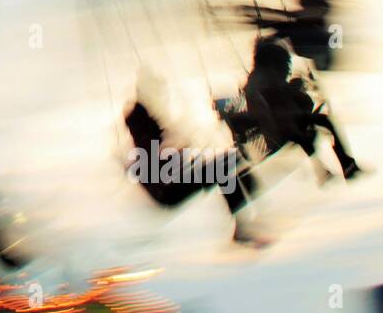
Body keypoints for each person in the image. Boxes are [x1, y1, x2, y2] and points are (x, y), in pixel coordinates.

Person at [122, 73, 265, 246]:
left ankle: (245, 212)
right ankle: (244, 218)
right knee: (226, 166)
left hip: (171, 188)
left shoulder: (146, 143)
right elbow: (159, 175)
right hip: (170, 193)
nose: (161, 127)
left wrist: (181, 156)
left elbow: (163, 168)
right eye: (155, 123)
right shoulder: (146, 144)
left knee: (227, 165)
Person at [243, 39, 363, 184]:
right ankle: (328, 169)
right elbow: (271, 109)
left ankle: (345, 164)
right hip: (278, 130)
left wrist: (298, 89)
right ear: (273, 63)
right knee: (304, 131)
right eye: (285, 64)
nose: (288, 68)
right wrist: (293, 90)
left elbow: (291, 101)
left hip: (288, 122)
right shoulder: (261, 82)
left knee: (323, 120)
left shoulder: (267, 78)